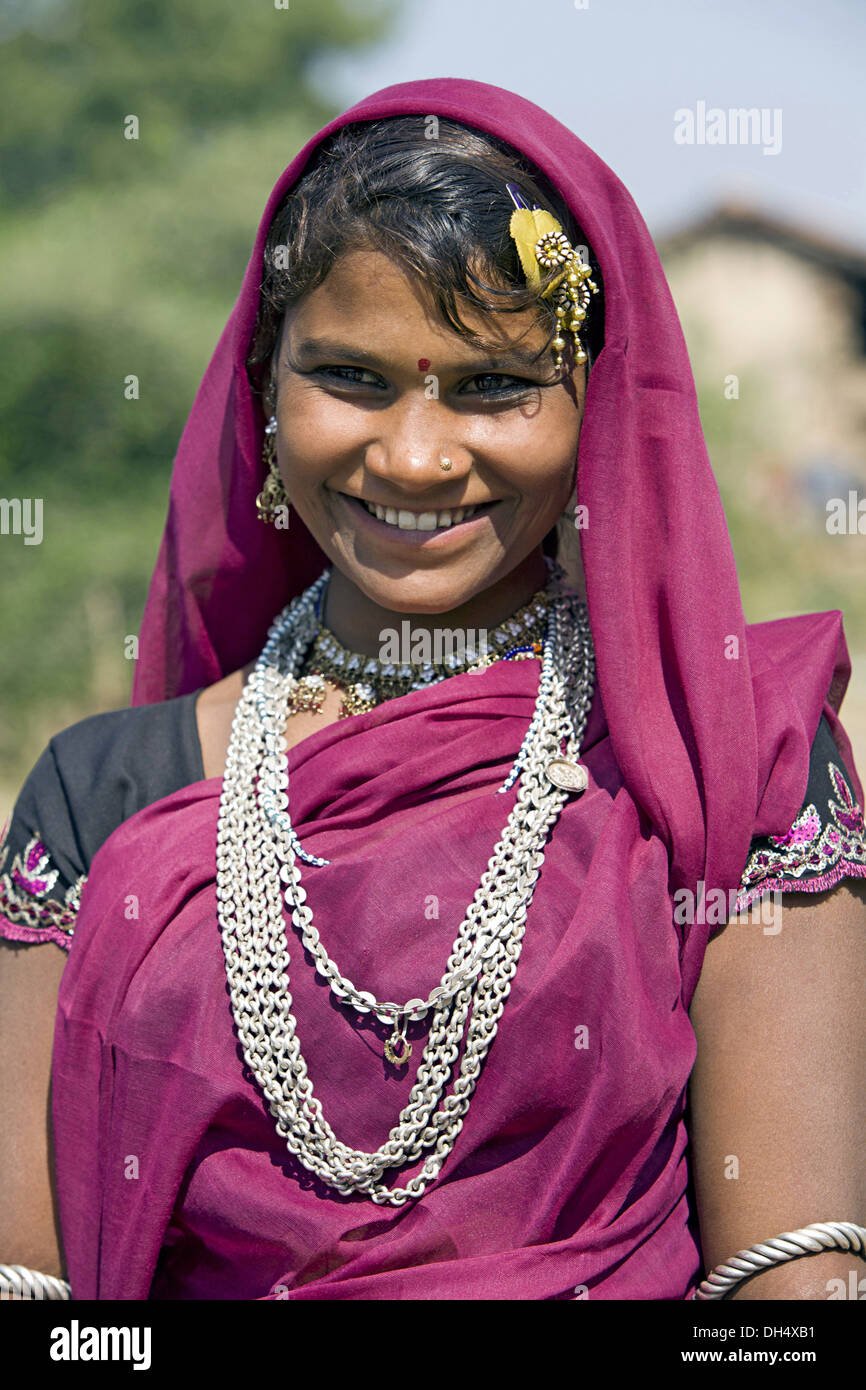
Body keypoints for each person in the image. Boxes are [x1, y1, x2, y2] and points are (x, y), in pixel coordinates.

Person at [1, 78, 864, 1302]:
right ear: (264, 391)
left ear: (593, 413)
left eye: (494, 384)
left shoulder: (732, 763)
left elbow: (794, 1295)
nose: (413, 456)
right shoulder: (103, 795)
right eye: (349, 377)